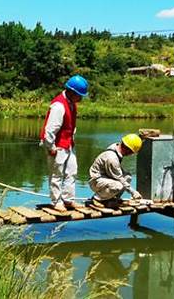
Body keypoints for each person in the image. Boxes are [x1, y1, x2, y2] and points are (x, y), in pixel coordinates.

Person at [40, 75, 88, 212]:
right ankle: (56, 202)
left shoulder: (72, 104)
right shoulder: (59, 105)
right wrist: (51, 147)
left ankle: (68, 200)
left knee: (72, 172)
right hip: (57, 145)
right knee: (56, 174)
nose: (81, 98)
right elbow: (49, 130)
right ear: (72, 92)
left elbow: (71, 126)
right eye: (80, 95)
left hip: (68, 144)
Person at [88, 134, 143, 206]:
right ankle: (97, 199)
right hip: (96, 181)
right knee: (118, 185)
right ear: (127, 149)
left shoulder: (116, 148)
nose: (130, 155)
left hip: (105, 177)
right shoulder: (112, 158)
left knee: (127, 177)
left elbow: (120, 175)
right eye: (131, 153)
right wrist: (133, 192)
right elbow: (119, 178)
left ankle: (112, 198)